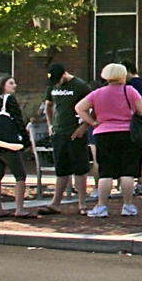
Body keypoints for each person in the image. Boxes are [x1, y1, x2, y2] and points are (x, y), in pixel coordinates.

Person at [73, 63, 142, 217]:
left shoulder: (97, 93)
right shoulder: (130, 91)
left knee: (105, 172)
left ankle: (101, 206)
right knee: (128, 171)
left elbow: (79, 108)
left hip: (104, 133)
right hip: (128, 133)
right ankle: (127, 206)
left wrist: (92, 122)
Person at [0, 75, 34, 218]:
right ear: (3, 85)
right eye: (11, 83)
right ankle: (19, 208)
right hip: (9, 143)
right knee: (20, 175)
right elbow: (18, 120)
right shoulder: (9, 100)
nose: (14, 85)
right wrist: (25, 141)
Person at [43, 63, 92, 215]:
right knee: (61, 169)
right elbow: (48, 105)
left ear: (64, 74)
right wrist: (50, 124)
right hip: (59, 132)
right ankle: (55, 203)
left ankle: (82, 203)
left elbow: (94, 107)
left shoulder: (80, 86)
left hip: (75, 132)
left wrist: (83, 127)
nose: (56, 84)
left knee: (80, 168)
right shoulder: (52, 86)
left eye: (58, 80)